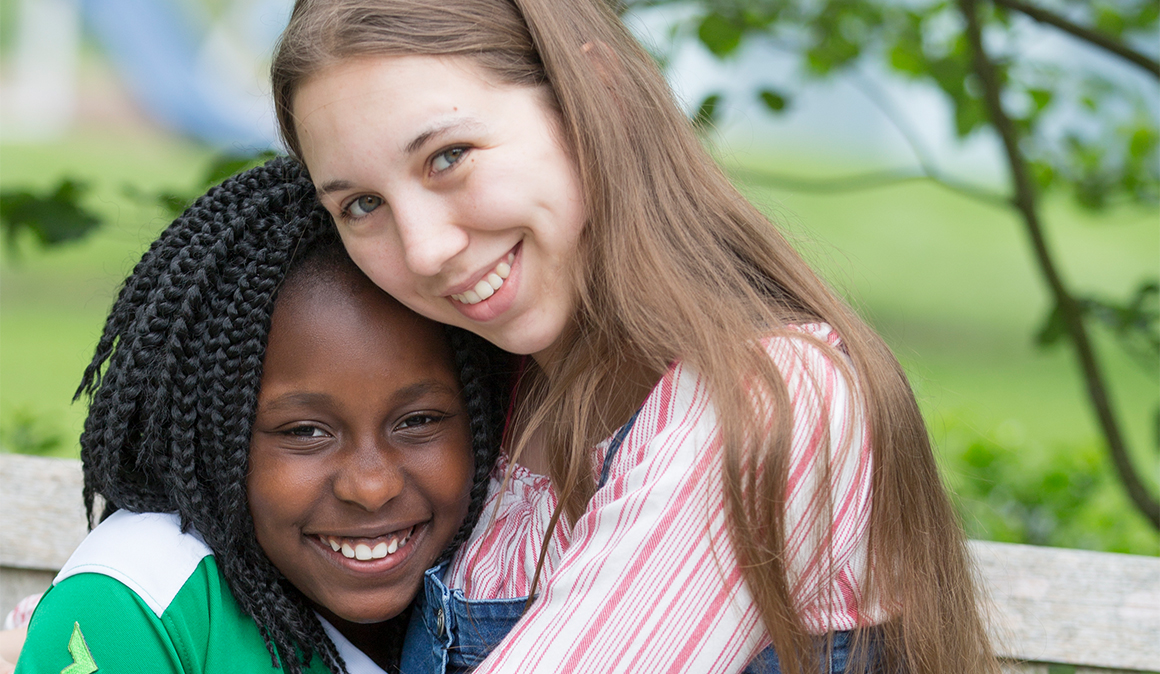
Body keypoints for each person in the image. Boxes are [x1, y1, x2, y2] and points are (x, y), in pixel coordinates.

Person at [271, 1, 1000, 672]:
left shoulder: (767, 398)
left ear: (599, 92)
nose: (425, 249)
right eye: (361, 204)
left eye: (448, 156)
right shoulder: (495, 393)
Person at [15, 158, 510, 674]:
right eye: (306, 432)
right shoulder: (140, 600)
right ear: (211, 440)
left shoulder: (513, 566)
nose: (371, 487)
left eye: (418, 421)